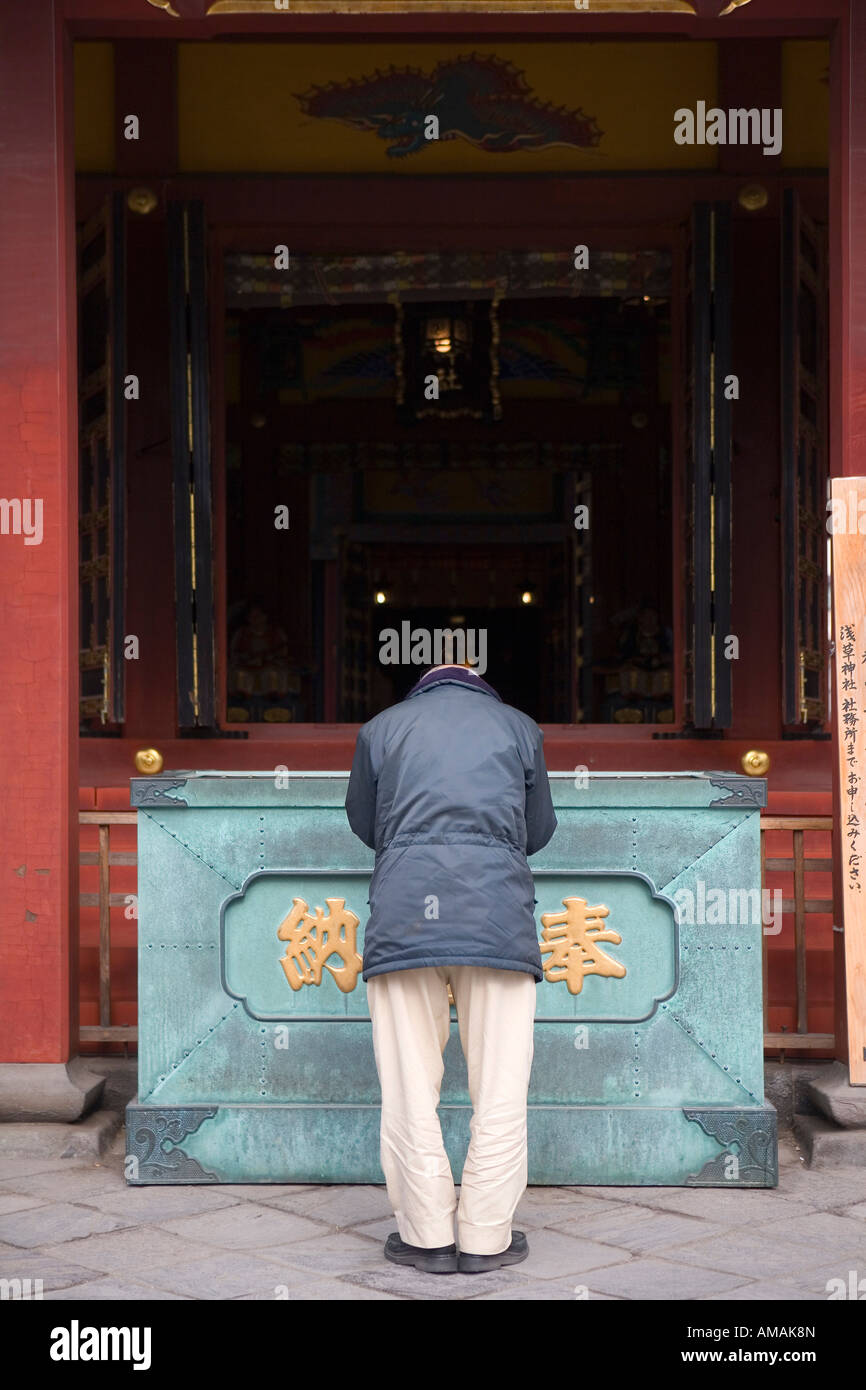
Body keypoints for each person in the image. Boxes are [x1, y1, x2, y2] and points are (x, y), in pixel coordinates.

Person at [345, 659, 557, 1275]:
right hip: (498, 921)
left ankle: (426, 1236)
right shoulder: (520, 728)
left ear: (423, 686)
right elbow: (538, 831)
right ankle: (487, 1237)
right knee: (501, 1087)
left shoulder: (381, 729)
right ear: (482, 685)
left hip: (405, 916)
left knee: (410, 1086)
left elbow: (365, 823)